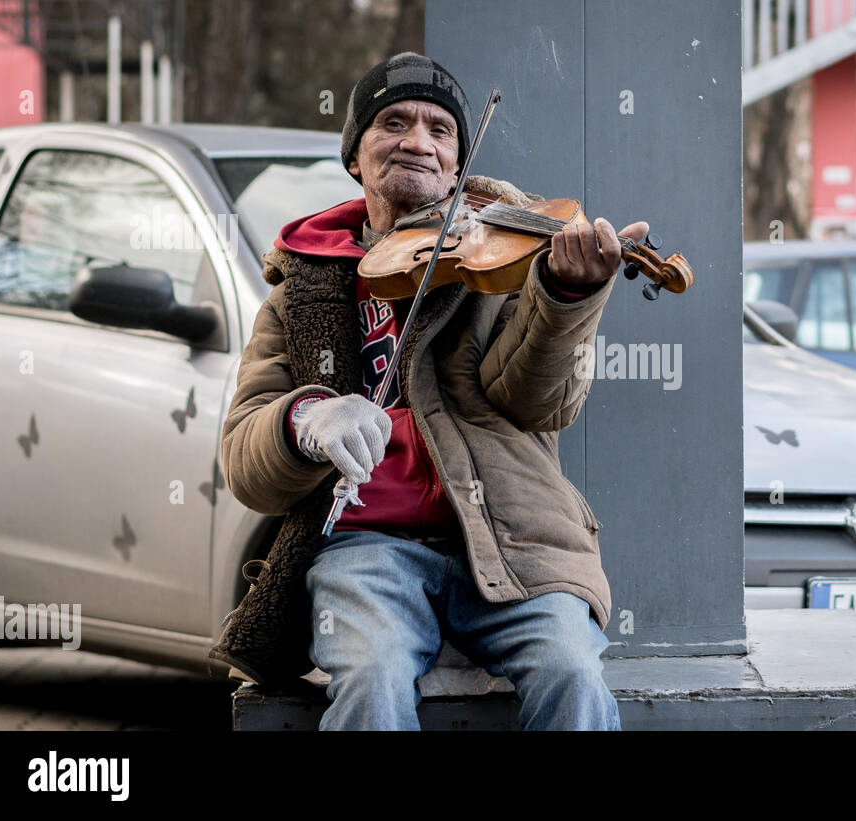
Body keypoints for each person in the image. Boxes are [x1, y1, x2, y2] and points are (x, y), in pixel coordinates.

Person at [212, 52, 646, 731]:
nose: (419, 141)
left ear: (456, 165)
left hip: (513, 535)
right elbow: (244, 459)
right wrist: (306, 417)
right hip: (367, 544)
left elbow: (535, 402)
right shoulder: (299, 292)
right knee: (371, 677)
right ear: (355, 154)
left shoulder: (499, 259)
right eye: (394, 122)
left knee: (572, 672)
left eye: (441, 131)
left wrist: (566, 296)